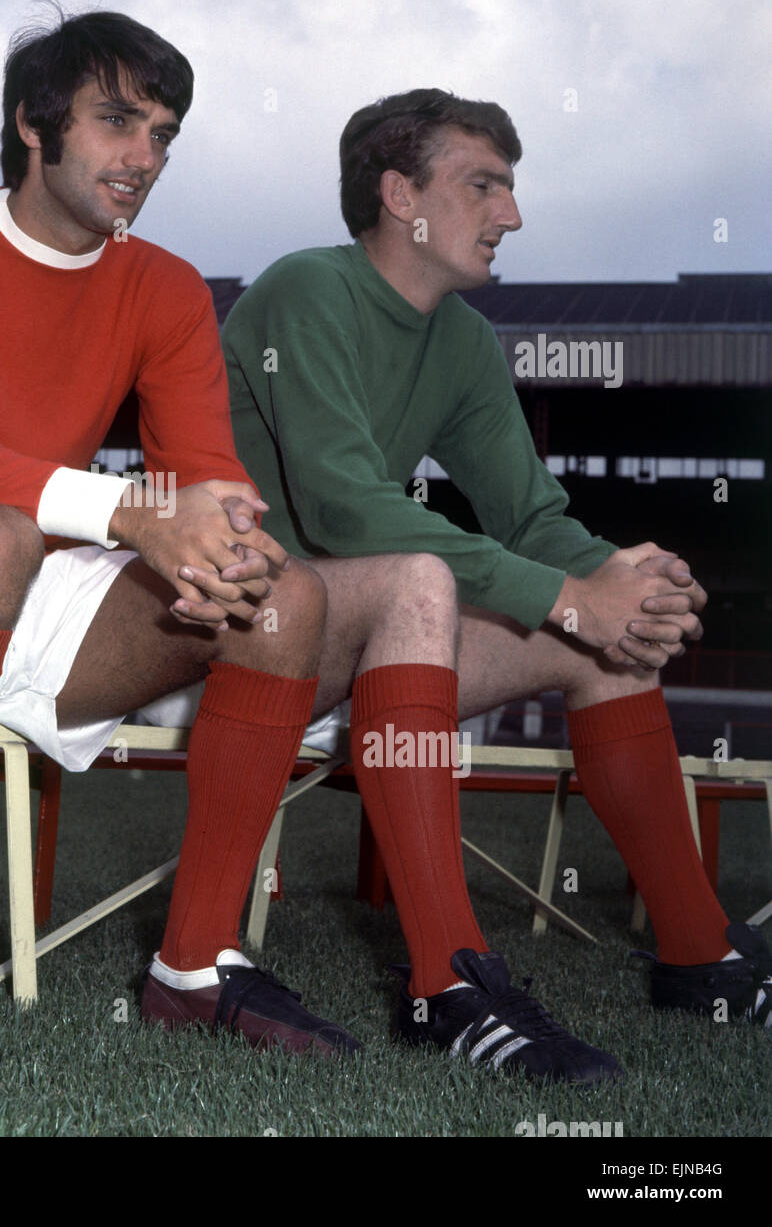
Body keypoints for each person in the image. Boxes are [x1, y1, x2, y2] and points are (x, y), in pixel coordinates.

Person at [0, 8, 356, 1087]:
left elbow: (202, 475)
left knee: (289, 599)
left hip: (40, 569)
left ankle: (196, 962)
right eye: (116, 121)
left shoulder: (166, 286)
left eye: (163, 135)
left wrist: (229, 538)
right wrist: (139, 514)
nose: (143, 156)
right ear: (34, 124)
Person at [221, 88, 771, 1084]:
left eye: (510, 190)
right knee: (426, 578)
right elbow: (346, 511)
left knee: (597, 627)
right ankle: (448, 982)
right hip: (238, 635)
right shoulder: (305, 289)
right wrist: (566, 595)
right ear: (400, 195)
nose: (509, 215)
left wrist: (621, 581)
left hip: (365, 637)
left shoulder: (462, 339)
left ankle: (700, 956)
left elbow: (533, 518)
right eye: (483, 185)